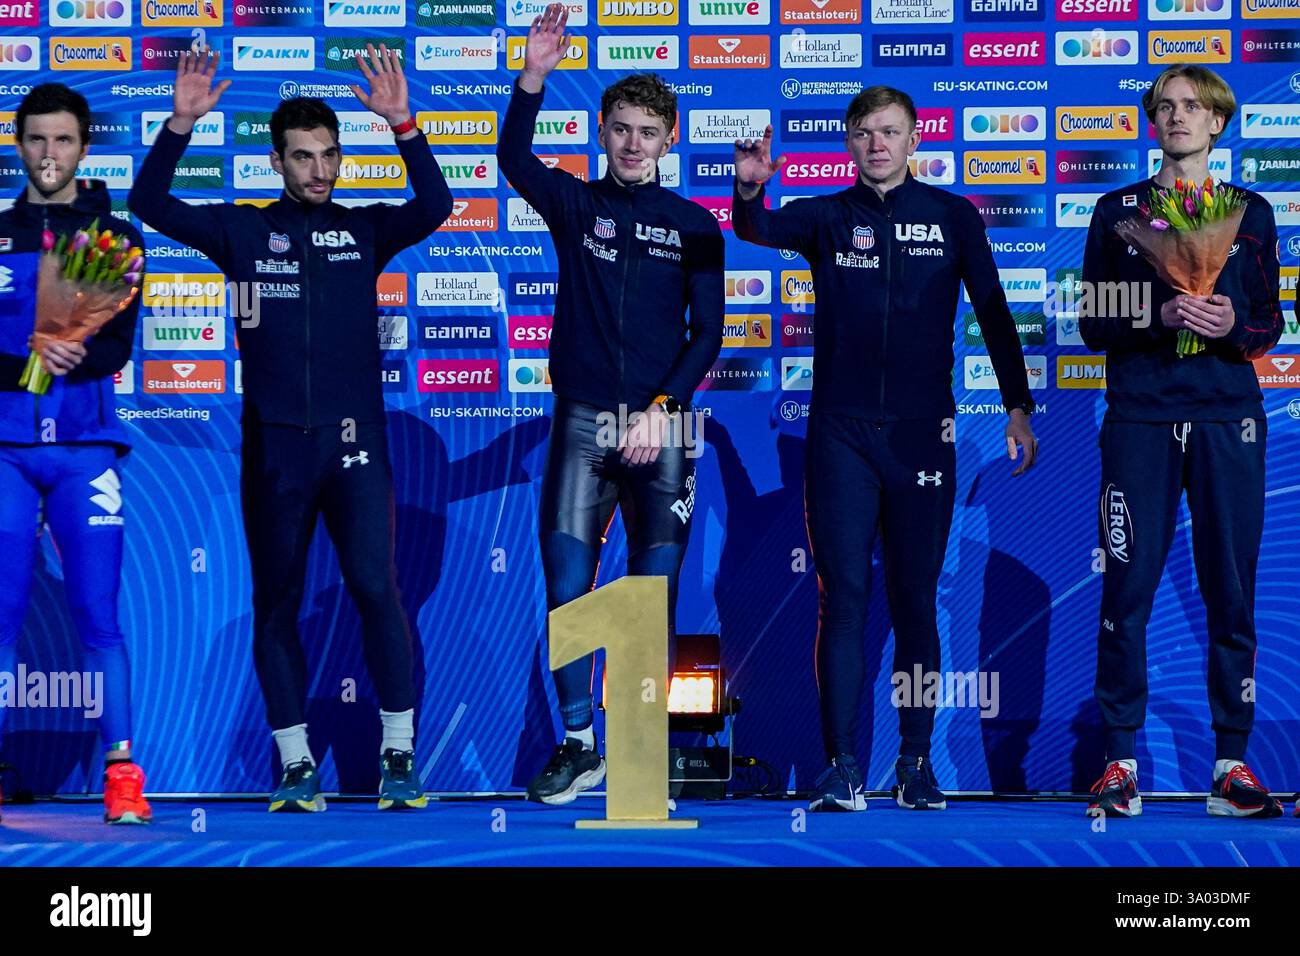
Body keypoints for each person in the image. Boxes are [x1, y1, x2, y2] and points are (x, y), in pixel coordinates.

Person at [128, 46, 453, 812]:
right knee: (276, 603)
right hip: (276, 446)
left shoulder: (364, 230)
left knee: (377, 589)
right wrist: (179, 125)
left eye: (330, 155)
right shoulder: (240, 233)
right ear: (276, 161)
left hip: (354, 442)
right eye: (303, 157)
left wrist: (404, 125)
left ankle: (399, 759)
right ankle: (296, 765)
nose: (319, 169)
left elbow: (436, 207)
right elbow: (150, 203)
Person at [732, 86, 1038, 812]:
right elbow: (757, 230)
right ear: (849, 142)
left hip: (921, 436)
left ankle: (914, 764)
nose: (878, 143)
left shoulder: (954, 217)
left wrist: (1018, 406)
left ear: (913, 141)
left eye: (891, 132)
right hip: (840, 434)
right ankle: (841, 768)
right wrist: (748, 189)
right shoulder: (826, 216)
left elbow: (993, 312)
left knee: (914, 603)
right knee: (841, 602)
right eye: (865, 132)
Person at [497, 3, 724, 805]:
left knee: (646, 597)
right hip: (583, 419)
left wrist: (663, 406)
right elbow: (512, 158)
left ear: (668, 140)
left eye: (648, 132)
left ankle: (635, 749)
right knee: (567, 588)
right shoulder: (574, 205)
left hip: (664, 426)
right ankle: (580, 744)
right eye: (621, 129)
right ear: (603, 132)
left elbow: (710, 333)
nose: (633, 143)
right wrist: (534, 74)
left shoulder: (696, 225)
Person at [1081, 65, 1283, 819]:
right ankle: (1120, 764)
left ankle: (1231, 764)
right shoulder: (1117, 211)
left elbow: (1271, 323)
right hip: (1139, 422)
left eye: (1191, 107)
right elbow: (1094, 323)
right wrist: (1155, 320)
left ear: (1218, 123)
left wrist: (1236, 328)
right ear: (1152, 122)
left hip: (1228, 418)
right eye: (1164, 107)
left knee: (1232, 592)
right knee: (1125, 590)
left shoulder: (1251, 212)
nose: (1177, 117)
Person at [0, 83, 151, 824]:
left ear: (82, 146)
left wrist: (69, 353)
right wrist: (26, 357)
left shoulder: (113, 236)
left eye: (63, 141)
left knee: (98, 616)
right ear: (18, 144)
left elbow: (120, 342)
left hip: (86, 452)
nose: (50, 154)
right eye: (37, 140)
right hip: (4, 451)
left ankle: (123, 775)